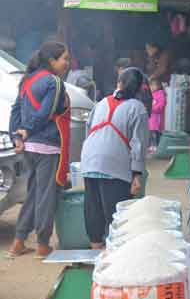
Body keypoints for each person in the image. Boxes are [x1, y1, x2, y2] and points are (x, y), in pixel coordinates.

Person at [8, 41, 72, 257]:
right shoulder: (54, 82)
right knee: (46, 196)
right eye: (65, 59)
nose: (67, 63)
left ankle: (18, 242)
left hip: (29, 147)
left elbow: (16, 110)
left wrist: (17, 135)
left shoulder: (28, 80)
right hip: (47, 147)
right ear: (52, 60)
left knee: (33, 194)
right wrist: (27, 129)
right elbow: (47, 112)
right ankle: (43, 244)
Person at [80, 67, 149, 248]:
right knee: (116, 211)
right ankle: (115, 252)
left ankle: (95, 248)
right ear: (140, 88)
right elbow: (139, 144)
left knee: (93, 207)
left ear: (119, 83)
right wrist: (136, 174)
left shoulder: (101, 102)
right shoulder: (138, 108)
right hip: (114, 162)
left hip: (89, 159)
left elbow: (89, 129)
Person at [148, 76, 167, 152]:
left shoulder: (160, 94)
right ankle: (151, 147)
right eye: (150, 85)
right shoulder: (150, 94)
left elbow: (161, 106)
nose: (152, 87)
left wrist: (151, 109)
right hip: (150, 120)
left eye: (154, 85)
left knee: (156, 134)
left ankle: (156, 147)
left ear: (158, 86)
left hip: (156, 120)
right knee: (151, 134)